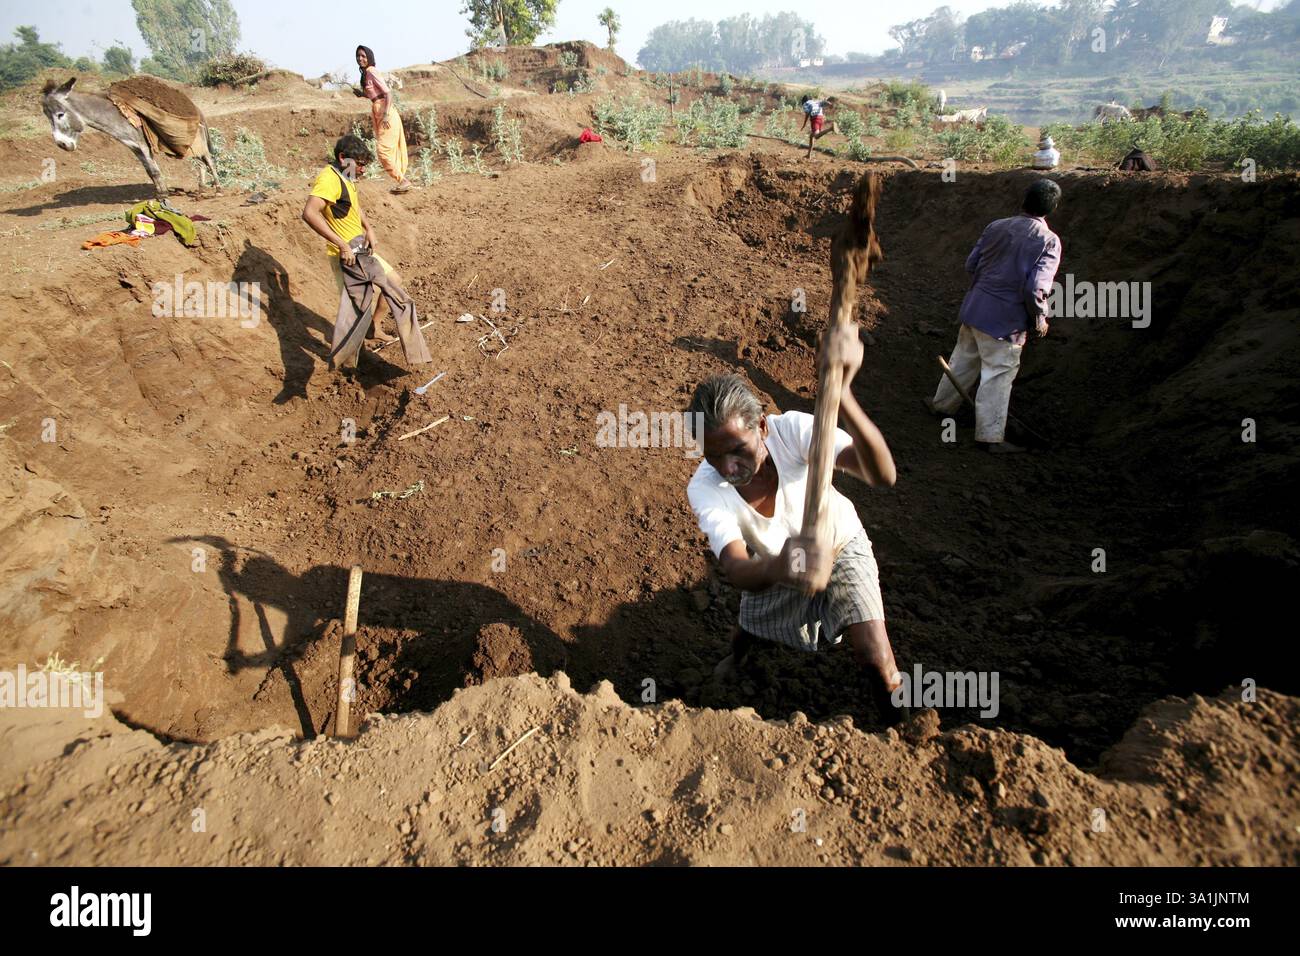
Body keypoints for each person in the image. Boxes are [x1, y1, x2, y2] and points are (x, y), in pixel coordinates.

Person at [686, 334, 907, 727]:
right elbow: (738, 570)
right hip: (775, 563)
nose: (728, 467)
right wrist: (780, 566)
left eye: (738, 449)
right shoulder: (705, 487)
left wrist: (845, 396)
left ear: (764, 428)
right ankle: (737, 659)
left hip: (840, 544)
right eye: (713, 455)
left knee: (877, 659)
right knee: (749, 629)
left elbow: (883, 474)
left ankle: (900, 729)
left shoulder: (794, 432)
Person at [927, 179, 1062, 453]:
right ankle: (989, 437)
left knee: (964, 358)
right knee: (997, 375)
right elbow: (1037, 289)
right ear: (1052, 208)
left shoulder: (996, 226)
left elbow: (971, 264)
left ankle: (942, 405)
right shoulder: (1049, 241)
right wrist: (1040, 320)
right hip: (1006, 322)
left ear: (1023, 200)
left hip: (974, 309)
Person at [301, 134, 432, 372]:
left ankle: (375, 327)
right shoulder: (328, 179)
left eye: (364, 165)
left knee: (394, 281)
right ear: (342, 158)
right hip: (345, 256)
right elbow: (310, 213)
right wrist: (341, 245)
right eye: (359, 164)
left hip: (361, 248)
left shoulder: (346, 176)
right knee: (356, 309)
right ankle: (350, 362)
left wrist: (368, 228)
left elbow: (352, 204)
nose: (362, 169)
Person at [355, 45, 414, 193]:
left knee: (382, 150)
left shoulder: (371, 71)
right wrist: (362, 94)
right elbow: (376, 94)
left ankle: (403, 181)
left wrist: (386, 114)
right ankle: (401, 179)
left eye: (363, 56)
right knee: (385, 149)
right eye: (358, 56)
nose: (360, 58)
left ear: (369, 57)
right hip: (379, 111)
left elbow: (388, 93)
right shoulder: (366, 74)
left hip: (385, 113)